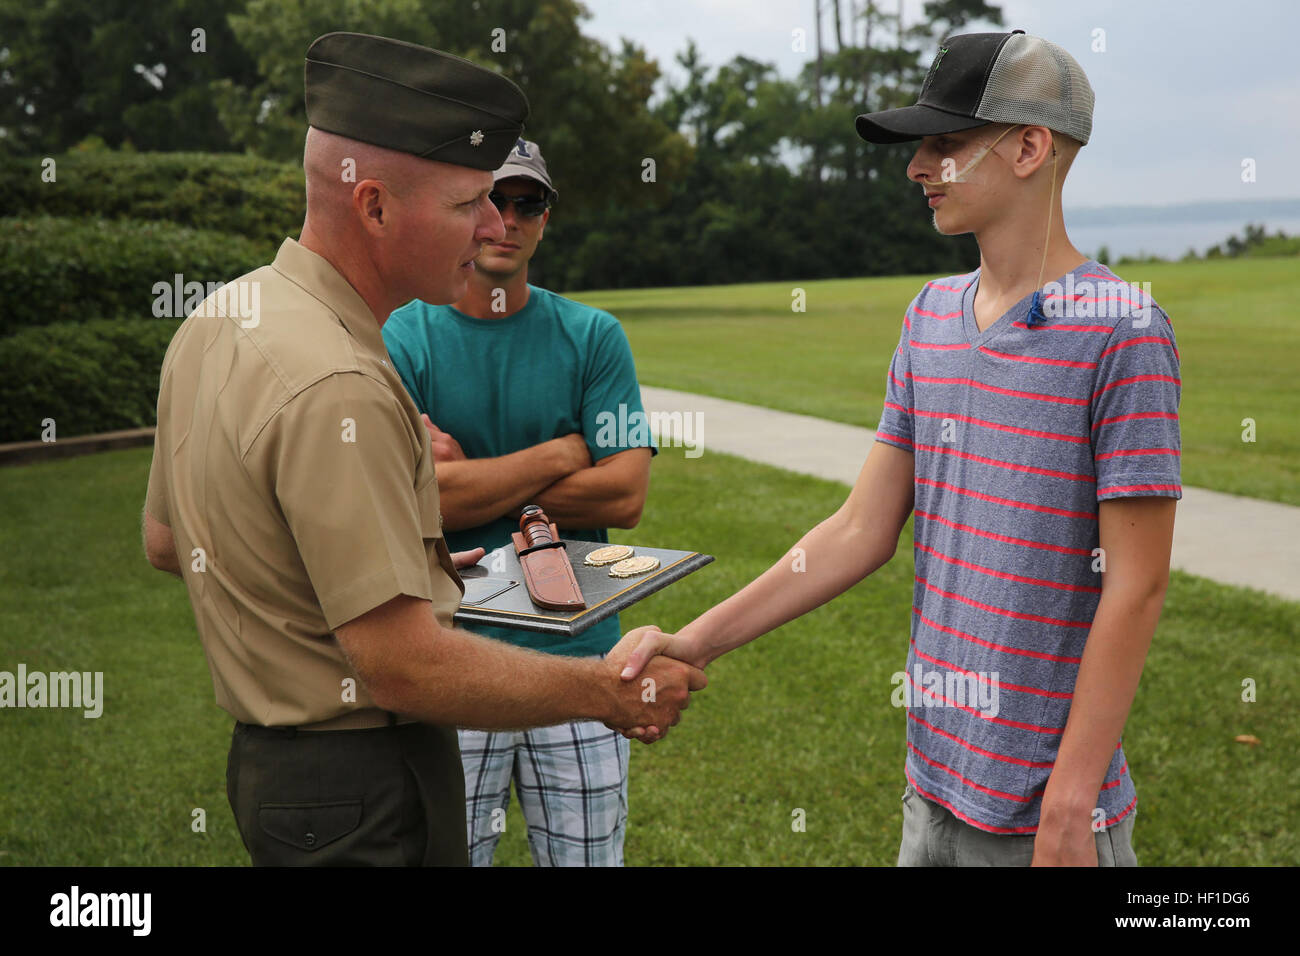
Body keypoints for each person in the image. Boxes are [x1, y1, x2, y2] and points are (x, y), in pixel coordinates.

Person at [140, 32, 703, 867]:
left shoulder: (221, 317)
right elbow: (402, 667)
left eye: (513, 204)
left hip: (277, 773)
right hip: (368, 779)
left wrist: (375, 566)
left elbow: (165, 541)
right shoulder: (342, 380)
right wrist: (605, 692)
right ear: (373, 206)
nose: (490, 228)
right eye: (467, 203)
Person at [619, 30, 1180, 867]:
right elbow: (858, 531)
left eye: (946, 144)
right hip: (933, 788)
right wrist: (693, 642)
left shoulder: (1122, 331)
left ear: (1030, 147)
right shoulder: (929, 318)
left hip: (1047, 820)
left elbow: (1135, 585)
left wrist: (1069, 808)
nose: (919, 167)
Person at [382, 138, 654, 866]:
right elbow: (411, 504)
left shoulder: (594, 335)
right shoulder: (405, 334)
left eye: (525, 202)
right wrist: (563, 453)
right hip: (454, 659)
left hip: (581, 657)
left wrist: (475, 478)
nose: (505, 219)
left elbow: (627, 493)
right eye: (487, 200)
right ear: (460, 211)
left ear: (545, 219)